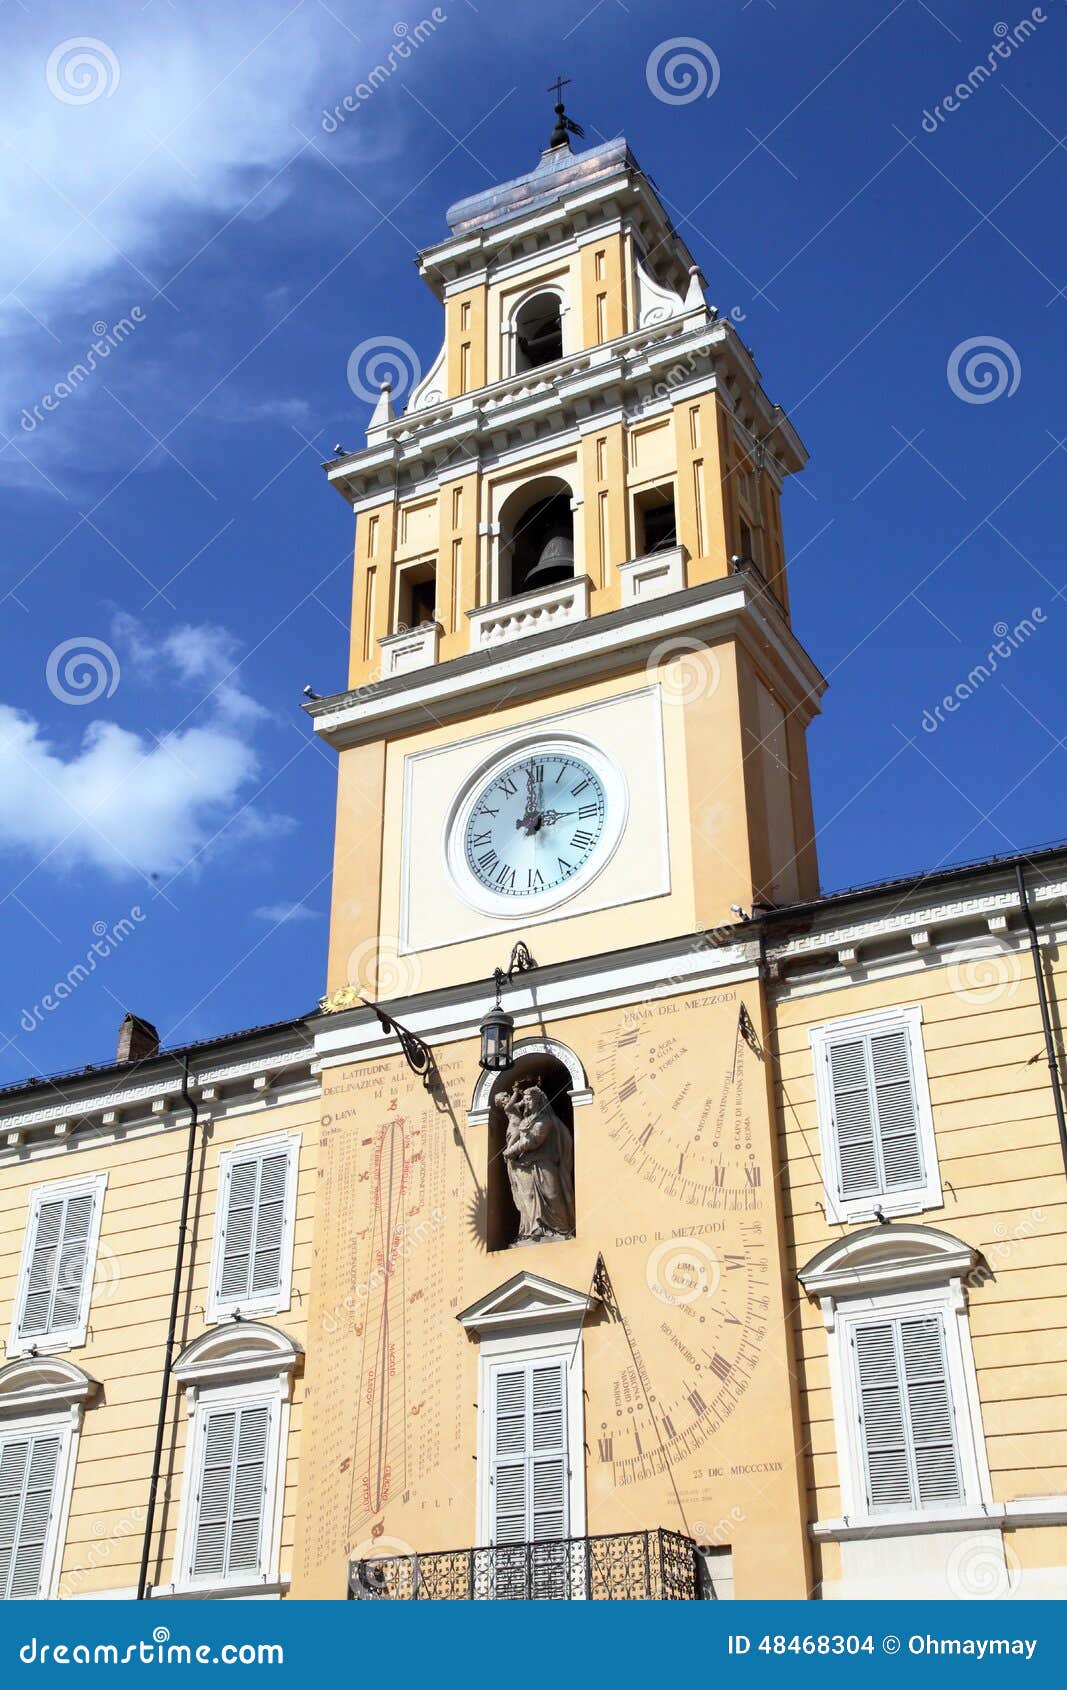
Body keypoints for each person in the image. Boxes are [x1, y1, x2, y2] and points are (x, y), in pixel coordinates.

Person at [499, 1075, 575, 1243]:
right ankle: (534, 1229)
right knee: (529, 1198)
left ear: (538, 1101)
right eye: (525, 1099)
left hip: (544, 1164)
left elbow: (532, 1141)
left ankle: (562, 1229)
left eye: (529, 1099)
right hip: (524, 1166)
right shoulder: (525, 1120)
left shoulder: (545, 1120)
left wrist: (511, 1150)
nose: (526, 1103)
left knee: (552, 1194)